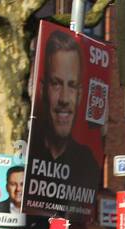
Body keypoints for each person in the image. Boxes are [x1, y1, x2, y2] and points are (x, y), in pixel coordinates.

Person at [27, 30, 99, 190]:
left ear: (80, 94)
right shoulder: (25, 152)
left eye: (72, 86)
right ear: (42, 89)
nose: (64, 99)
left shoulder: (88, 163)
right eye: (56, 83)